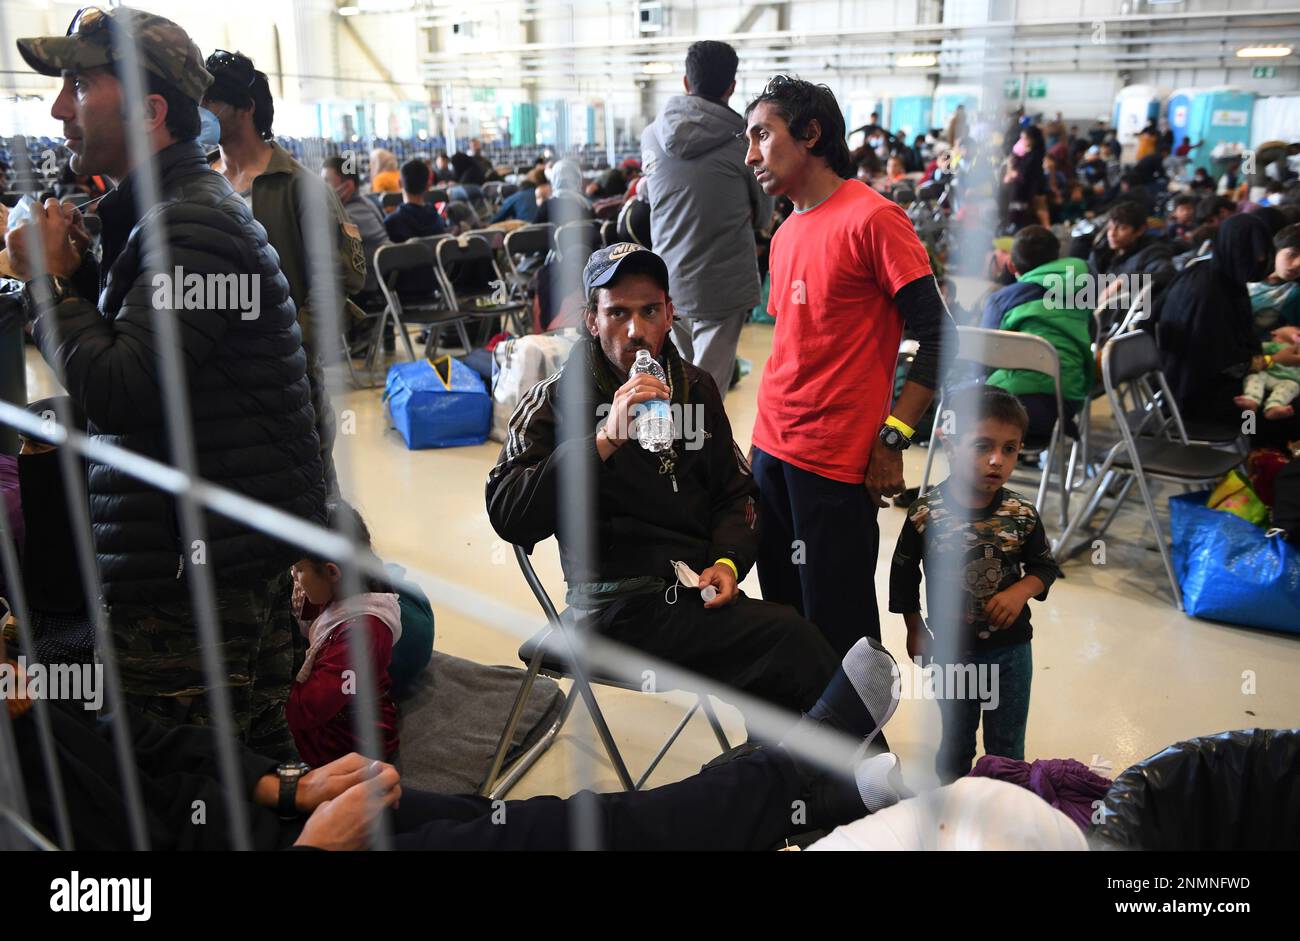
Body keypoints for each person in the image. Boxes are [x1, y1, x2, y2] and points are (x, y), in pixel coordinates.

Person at [7, 6, 326, 759]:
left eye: (80, 85)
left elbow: (122, 387)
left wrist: (47, 287)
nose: (60, 108)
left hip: (190, 585)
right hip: (211, 561)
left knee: (183, 791)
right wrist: (84, 274)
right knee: (249, 785)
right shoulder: (171, 214)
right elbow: (160, 357)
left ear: (152, 111)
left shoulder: (189, 224)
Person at [9, 620, 904, 850]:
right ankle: (791, 779)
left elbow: (158, 748)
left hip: (277, 821)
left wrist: (290, 785)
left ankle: (790, 782)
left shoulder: (32, 712)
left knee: (528, 819)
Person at [486, 243, 840, 717]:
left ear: (670, 313)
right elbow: (509, 513)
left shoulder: (695, 388)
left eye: (649, 310)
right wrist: (605, 438)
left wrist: (728, 562)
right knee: (791, 642)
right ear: (591, 320)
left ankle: (779, 772)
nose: (636, 331)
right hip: (611, 610)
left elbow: (738, 494)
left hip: (693, 597)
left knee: (785, 656)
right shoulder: (554, 400)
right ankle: (847, 779)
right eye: (617, 314)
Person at [741, 76, 954, 661]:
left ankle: (859, 748)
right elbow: (799, 346)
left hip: (834, 465)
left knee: (842, 633)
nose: (751, 154)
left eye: (762, 134)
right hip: (771, 450)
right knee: (784, 615)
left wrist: (894, 437)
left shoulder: (874, 219)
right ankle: (795, 746)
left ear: (810, 133)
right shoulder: (784, 233)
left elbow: (939, 337)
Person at [203, 48, 366, 496]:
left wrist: (292, 343)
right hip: (213, 372)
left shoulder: (297, 186)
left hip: (283, 375)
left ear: (246, 108)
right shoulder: (200, 183)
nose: (200, 112)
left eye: (210, 102)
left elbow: (338, 280)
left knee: (307, 488)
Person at [890, 386, 1060, 782]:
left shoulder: (1021, 513)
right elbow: (903, 574)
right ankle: (950, 816)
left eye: (1010, 448)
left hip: (1011, 653)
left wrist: (1021, 591)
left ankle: (1001, 819)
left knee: (1008, 749)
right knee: (955, 744)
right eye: (982, 445)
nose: (996, 460)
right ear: (949, 445)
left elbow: (1044, 567)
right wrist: (915, 629)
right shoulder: (925, 514)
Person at [639, 41, 773, 399]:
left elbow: (653, 196)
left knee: (679, 375)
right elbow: (764, 215)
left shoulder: (651, 136)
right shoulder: (744, 143)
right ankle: (698, 451)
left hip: (669, 280)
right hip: (723, 284)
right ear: (731, 85)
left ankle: (682, 449)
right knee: (710, 386)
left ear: (686, 82)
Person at [1156, 213, 1300, 426]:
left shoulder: (1214, 273)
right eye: (1255, 253)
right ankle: (1254, 447)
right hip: (1198, 399)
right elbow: (1220, 360)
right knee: (1287, 407)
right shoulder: (1208, 294)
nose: (1261, 260)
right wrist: (1274, 360)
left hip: (1193, 384)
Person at [287, 502, 400, 767]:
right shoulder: (343, 589)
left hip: (351, 746)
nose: (294, 576)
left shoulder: (363, 634)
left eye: (299, 569)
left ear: (331, 572)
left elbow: (307, 710)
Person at [979, 226, 1092, 441]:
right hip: (1066, 403)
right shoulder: (1082, 287)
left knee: (957, 402)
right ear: (1056, 257)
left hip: (1006, 406)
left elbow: (984, 357)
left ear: (1012, 266)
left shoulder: (1003, 300)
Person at [322, 155, 389, 301]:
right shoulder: (367, 203)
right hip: (377, 281)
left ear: (348, 186)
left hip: (368, 288)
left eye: (327, 181)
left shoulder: (352, 215)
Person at [381, 158, 447, 298]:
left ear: (399, 183)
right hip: (436, 283)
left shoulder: (391, 223)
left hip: (403, 289)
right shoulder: (438, 221)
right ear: (428, 185)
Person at [1249, 222, 1300, 334]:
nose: (1297, 263)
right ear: (1276, 249)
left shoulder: (1294, 294)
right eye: (1292, 254)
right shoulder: (1246, 274)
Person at [534, 158, 592, 225]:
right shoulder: (586, 206)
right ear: (578, 178)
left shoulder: (546, 207)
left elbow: (533, 231)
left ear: (553, 179)